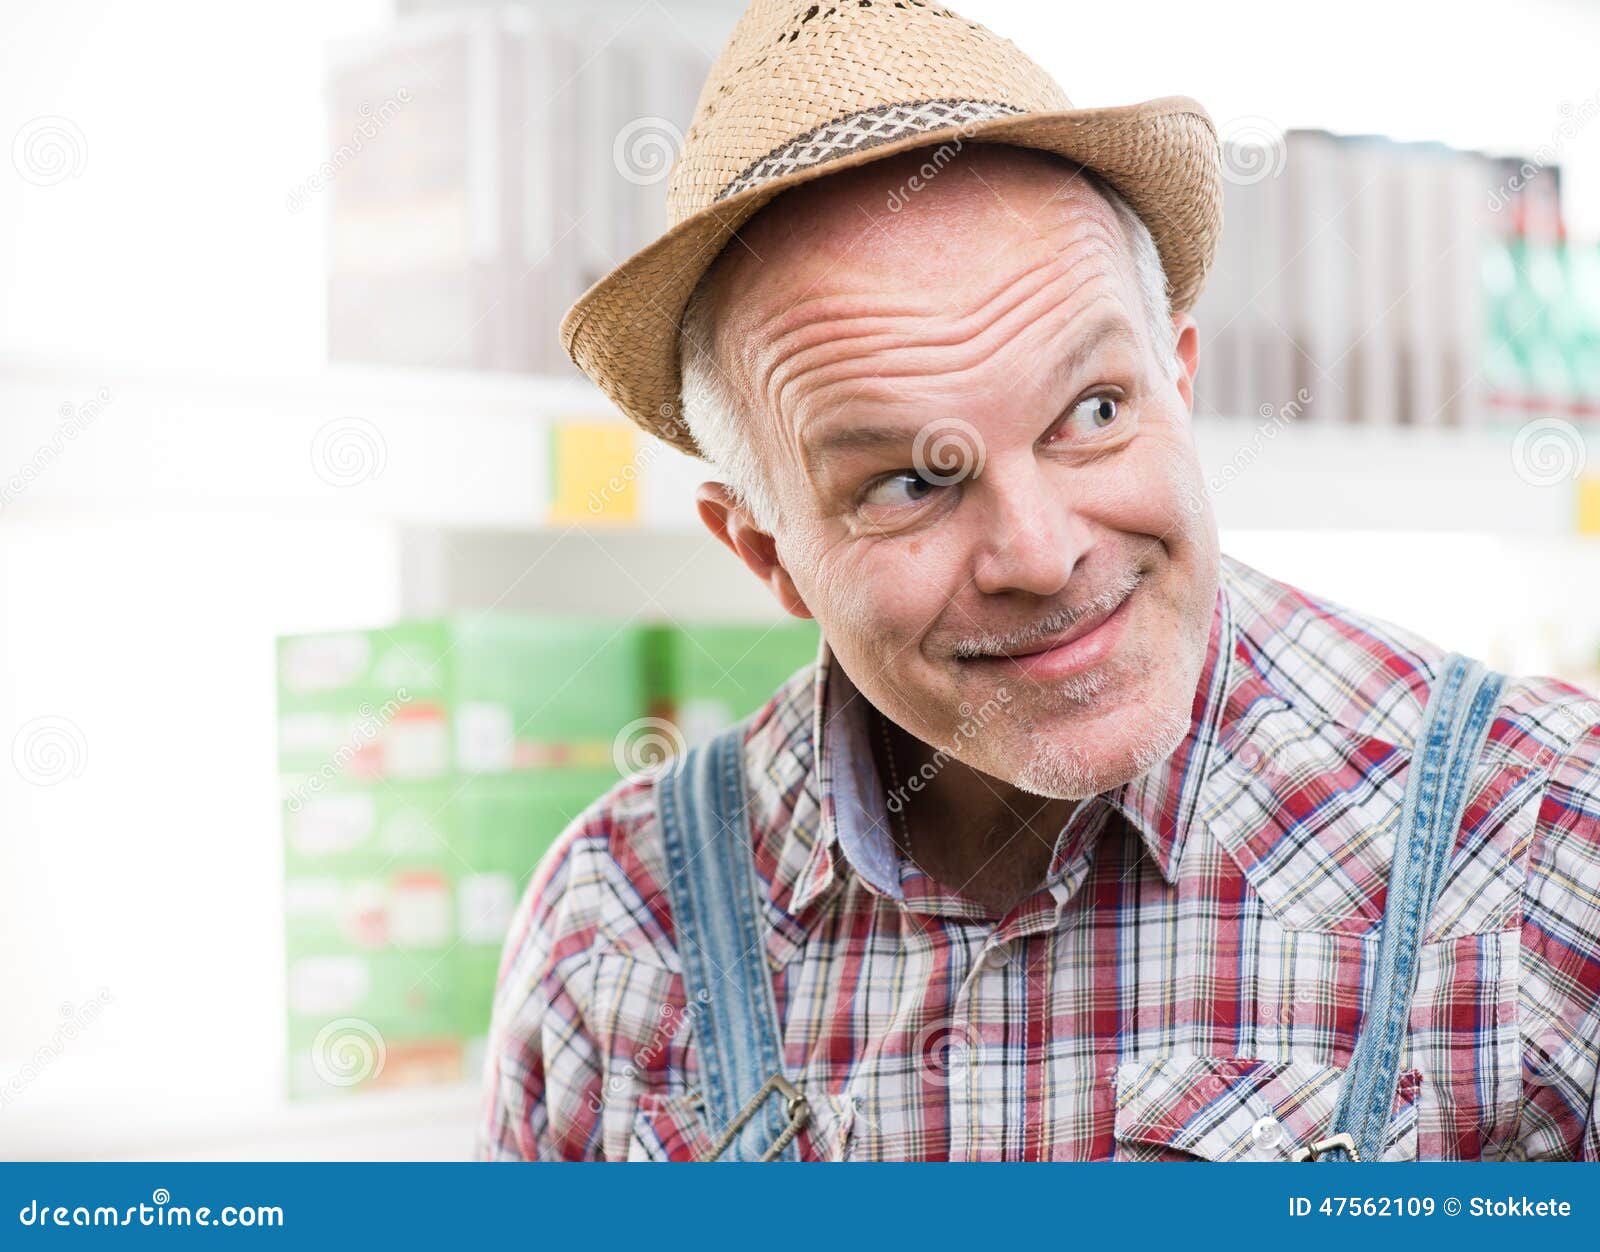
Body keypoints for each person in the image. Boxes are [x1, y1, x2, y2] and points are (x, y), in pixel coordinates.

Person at [479, 0, 1600, 1161]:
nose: (1041, 552)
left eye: (1093, 411)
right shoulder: (615, 935)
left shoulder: (1548, 846)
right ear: (764, 552)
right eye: (908, 482)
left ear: (1179, 383)